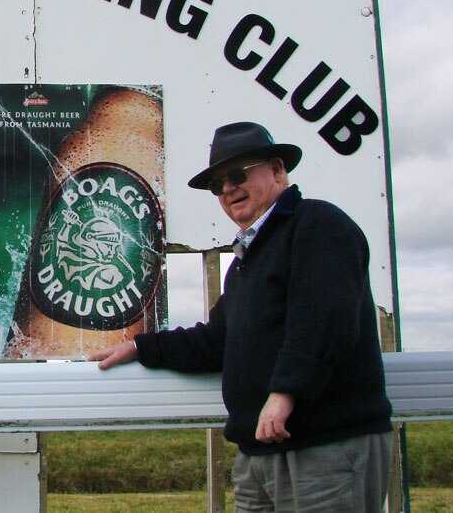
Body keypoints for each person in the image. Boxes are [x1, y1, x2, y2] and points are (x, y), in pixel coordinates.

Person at [89, 121, 393, 513]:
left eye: (237, 175)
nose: (228, 189)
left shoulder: (318, 225)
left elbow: (325, 319)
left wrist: (285, 394)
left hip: (325, 447)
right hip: (260, 450)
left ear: (278, 170)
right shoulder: (247, 260)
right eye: (218, 185)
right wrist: (140, 346)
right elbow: (218, 342)